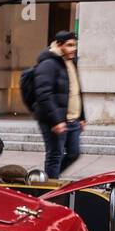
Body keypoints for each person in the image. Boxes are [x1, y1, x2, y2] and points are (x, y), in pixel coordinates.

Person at [29, 29, 83, 179]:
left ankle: (47, 180)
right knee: (55, 155)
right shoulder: (48, 64)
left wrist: (82, 116)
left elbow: (76, 90)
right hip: (54, 121)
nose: (74, 48)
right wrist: (56, 121)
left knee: (74, 153)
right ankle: (48, 189)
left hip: (72, 120)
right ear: (59, 45)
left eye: (75, 45)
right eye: (70, 45)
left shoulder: (70, 62)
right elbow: (43, 94)